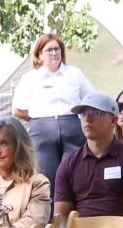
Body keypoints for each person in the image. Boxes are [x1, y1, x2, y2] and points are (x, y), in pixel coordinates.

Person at [53, 91, 123, 223]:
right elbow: (61, 218)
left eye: (94, 113)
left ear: (113, 120)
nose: (87, 118)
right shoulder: (69, 164)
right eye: (82, 113)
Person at [12, 33, 91, 180]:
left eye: (57, 49)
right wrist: (39, 120)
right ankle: (50, 203)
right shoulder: (30, 78)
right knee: (46, 178)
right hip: (42, 131)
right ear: (39, 55)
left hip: (72, 128)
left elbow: (91, 100)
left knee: (74, 174)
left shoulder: (75, 74)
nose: (54, 53)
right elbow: (17, 110)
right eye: (49, 50)